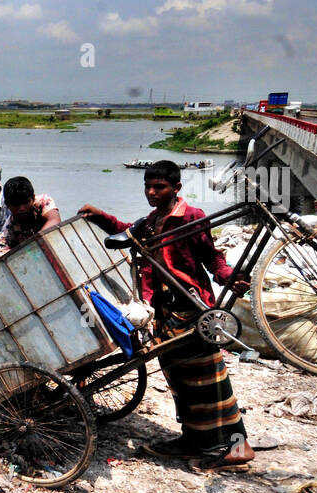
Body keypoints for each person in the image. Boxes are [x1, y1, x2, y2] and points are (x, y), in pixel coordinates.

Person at [78, 159, 255, 471]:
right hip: (165, 313)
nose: (151, 192)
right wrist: (100, 217)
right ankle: (193, 440)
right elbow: (127, 233)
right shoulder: (152, 220)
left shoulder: (191, 217)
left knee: (209, 380)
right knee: (181, 380)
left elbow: (212, 258)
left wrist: (229, 276)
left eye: (158, 187)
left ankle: (237, 448)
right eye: (147, 186)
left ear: (176, 188)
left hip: (192, 310)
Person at [1, 176, 61, 250]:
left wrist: (34, 242)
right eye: (16, 204)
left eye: (26, 202)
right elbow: (3, 253)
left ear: (33, 198)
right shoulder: (9, 229)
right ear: (7, 204)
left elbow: (54, 220)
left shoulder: (43, 202)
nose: (22, 208)